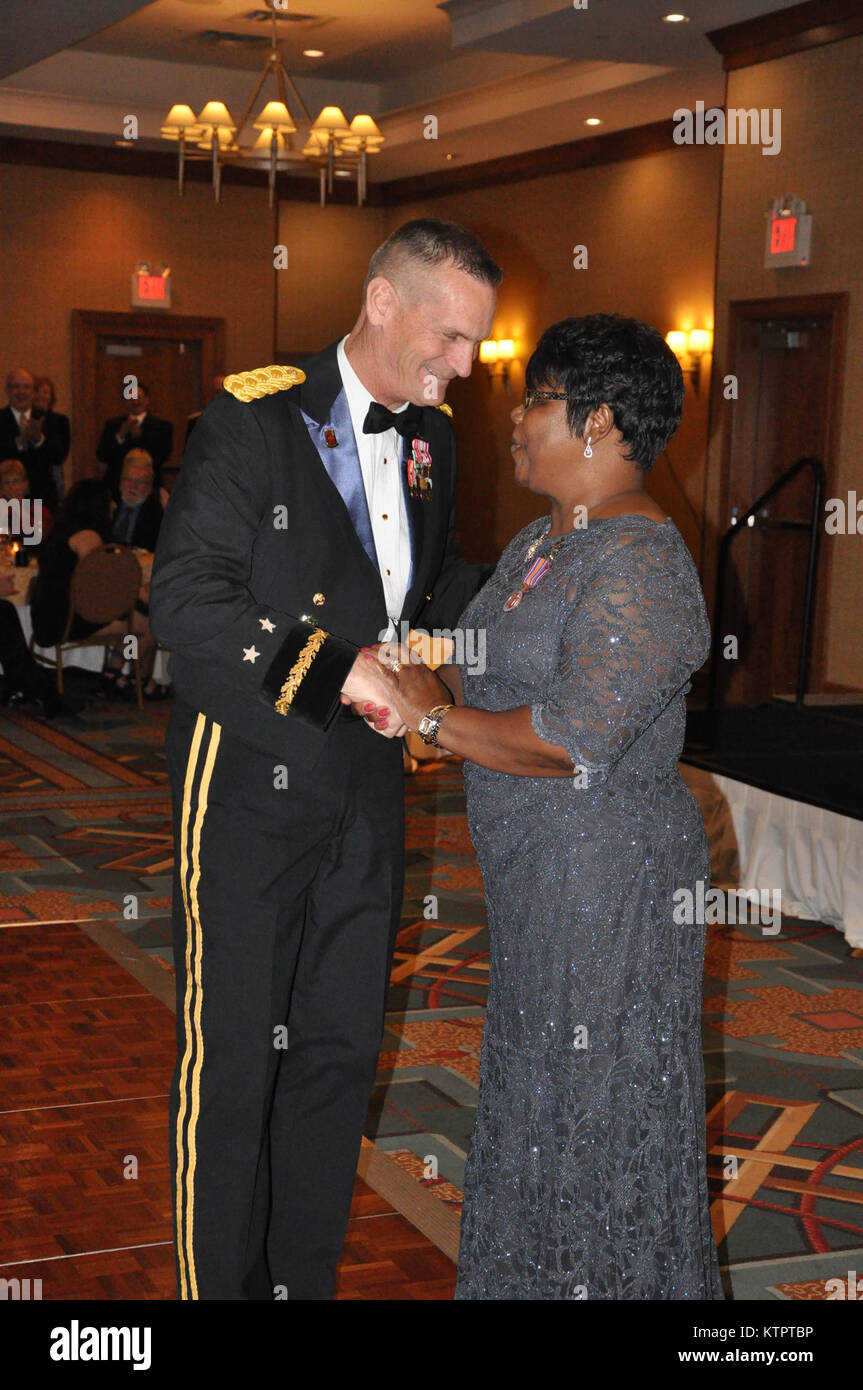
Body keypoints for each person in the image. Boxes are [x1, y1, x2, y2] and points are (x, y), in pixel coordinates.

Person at [148, 217, 500, 1301]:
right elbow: (188, 604)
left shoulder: (432, 441)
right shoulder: (252, 418)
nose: (461, 368)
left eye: (474, 348)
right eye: (448, 339)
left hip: (364, 786)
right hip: (249, 776)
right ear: (381, 301)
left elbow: (418, 596)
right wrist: (345, 673)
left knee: (339, 1056)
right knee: (237, 1064)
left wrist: (530, 594)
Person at [367, 314, 723, 1300]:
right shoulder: (546, 538)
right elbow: (485, 660)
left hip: (608, 887)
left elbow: (574, 734)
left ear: (598, 420)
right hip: (540, 886)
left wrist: (435, 726)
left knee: (592, 1107)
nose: (513, 417)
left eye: (534, 398)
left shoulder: (640, 563)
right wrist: (412, 670)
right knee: (540, 1097)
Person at [30, 478, 157, 694]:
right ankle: (140, 683)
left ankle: (114, 674)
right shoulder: (87, 537)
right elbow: (101, 582)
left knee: (135, 615)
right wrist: (137, 593)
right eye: (109, 501)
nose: (114, 506)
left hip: (51, 615)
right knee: (152, 626)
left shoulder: (63, 532)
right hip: (67, 621)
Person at [0, 368, 63, 511]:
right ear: (8, 391)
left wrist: (39, 438)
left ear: (34, 392)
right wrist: (19, 441)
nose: (21, 392)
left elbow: (58, 456)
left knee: (37, 533)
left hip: (41, 500)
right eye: (16, 387)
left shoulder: (49, 419)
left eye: (26, 387)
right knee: (9, 534)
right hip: (6, 501)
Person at [96, 383, 173, 497]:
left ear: (147, 400)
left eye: (139, 398)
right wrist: (120, 436)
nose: (135, 402)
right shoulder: (113, 425)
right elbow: (102, 455)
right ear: (125, 402)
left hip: (149, 487)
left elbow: (163, 455)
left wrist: (140, 438)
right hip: (116, 487)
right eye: (130, 399)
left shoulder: (162, 427)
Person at [111, 449, 163, 551]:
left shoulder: (157, 514)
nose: (133, 486)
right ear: (120, 480)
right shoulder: (107, 504)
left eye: (140, 481)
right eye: (128, 479)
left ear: (150, 486)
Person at [32, 376, 71, 504]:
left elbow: (60, 455)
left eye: (46, 392)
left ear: (51, 397)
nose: (41, 396)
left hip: (50, 480)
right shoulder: (25, 418)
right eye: (37, 391)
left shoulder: (60, 421)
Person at [0, 458, 52, 545]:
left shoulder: (39, 510)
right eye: (7, 482)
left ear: (25, 484)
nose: (11, 487)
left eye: (16, 481)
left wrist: (17, 510)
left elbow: (42, 535)